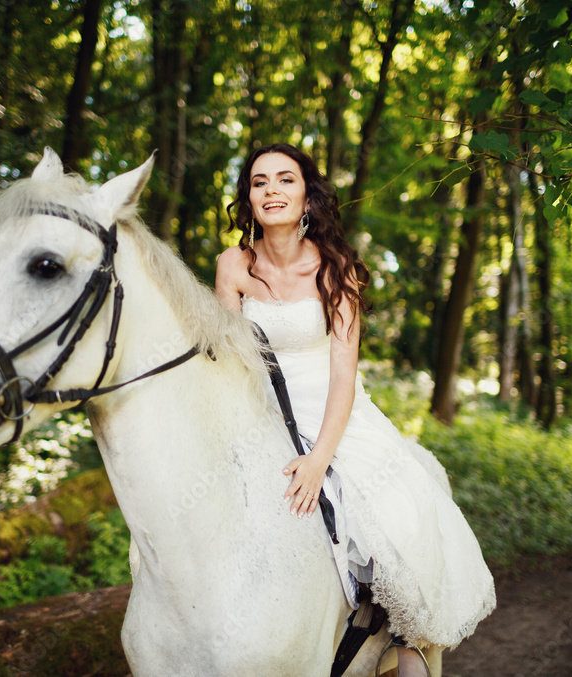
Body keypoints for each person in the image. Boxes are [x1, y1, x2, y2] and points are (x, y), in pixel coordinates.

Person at [215, 143, 495, 674]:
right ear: (248, 199)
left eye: (285, 180)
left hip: (335, 416)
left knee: (392, 517)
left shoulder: (336, 268)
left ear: (307, 195)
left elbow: (344, 373)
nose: (271, 190)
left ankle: (399, 639)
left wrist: (320, 457)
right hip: (261, 417)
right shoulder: (233, 265)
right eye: (259, 182)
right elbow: (228, 360)